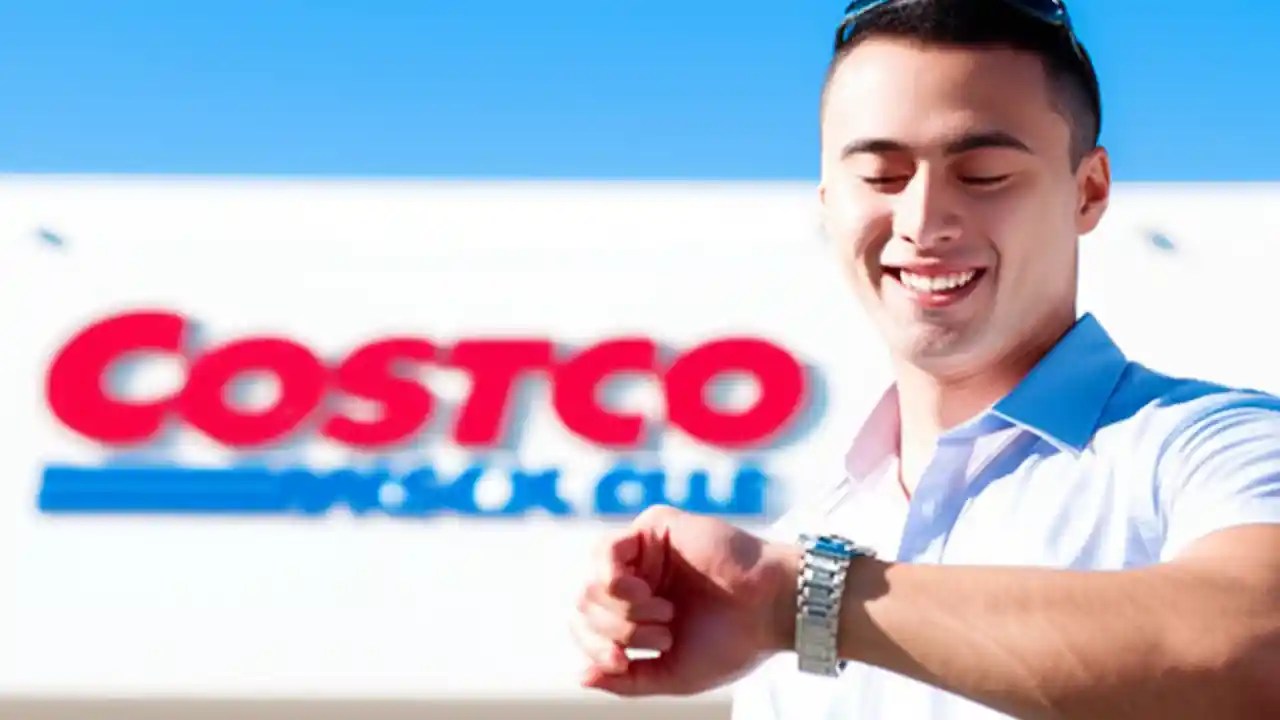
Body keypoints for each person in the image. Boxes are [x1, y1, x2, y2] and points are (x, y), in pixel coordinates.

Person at [569, 0, 1280, 718]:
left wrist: (807, 601)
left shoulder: (1220, 447)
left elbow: (1260, 648)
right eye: (881, 177)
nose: (923, 221)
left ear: (1088, 191)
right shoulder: (798, 547)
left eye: (984, 175)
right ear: (827, 201)